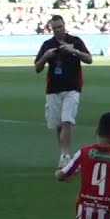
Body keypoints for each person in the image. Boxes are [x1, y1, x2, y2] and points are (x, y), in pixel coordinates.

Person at [34, 15, 93, 168]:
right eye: (55, 28)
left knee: (67, 120)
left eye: (60, 27)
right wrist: (46, 56)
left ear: (64, 25)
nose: (58, 30)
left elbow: (89, 59)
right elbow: (37, 68)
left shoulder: (75, 41)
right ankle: (64, 154)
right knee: (58, 124)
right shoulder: (47, 44)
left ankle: (66, 155)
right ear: (51, 29)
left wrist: (75, 51)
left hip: (72, 88)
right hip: (53, 89)